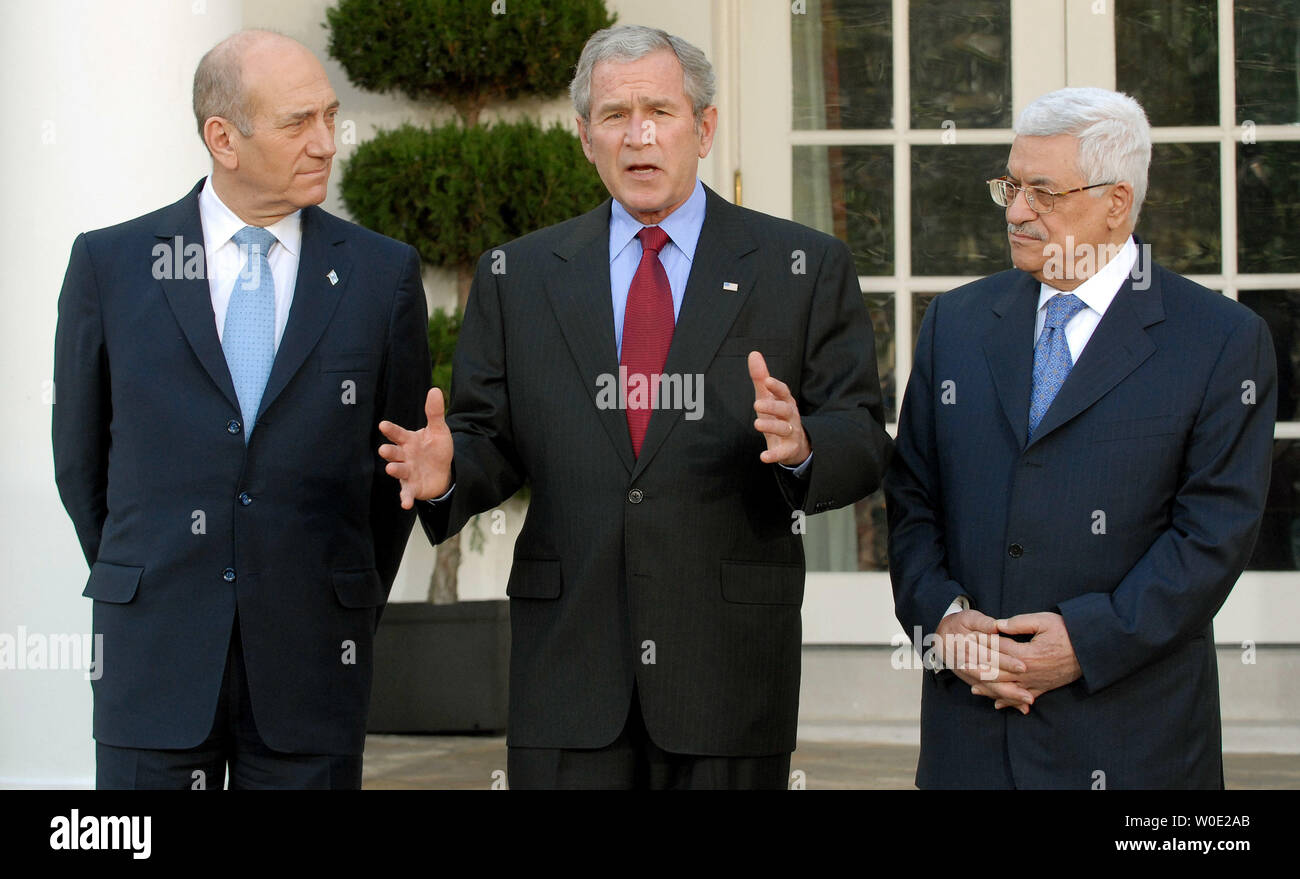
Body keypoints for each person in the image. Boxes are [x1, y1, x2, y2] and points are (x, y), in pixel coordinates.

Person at [378, 24, 890, 789]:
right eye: (615, 115)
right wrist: (451, 470)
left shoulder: (804, 267)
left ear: (705, 127)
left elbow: (863, 436)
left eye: (661, 110)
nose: (639, 136)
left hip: (728, 672)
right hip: (569, 673)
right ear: (585, 137)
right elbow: (490, 438)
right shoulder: (518, 275)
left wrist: (805, 443)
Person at [52, 30, 429, 789]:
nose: (327, 142)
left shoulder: (381, 275)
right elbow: (80, 462)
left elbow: (394, 477)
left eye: (330, 117)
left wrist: (339, 594)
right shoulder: (111, 265)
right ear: (222, 138)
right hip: (152, 662)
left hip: (313, 665)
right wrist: (155, 577)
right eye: (299, 123)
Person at [885, 87, 1277, 789]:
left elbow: (1213, 535)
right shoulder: (957, 324)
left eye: (1042, 190)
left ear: (1117, 202)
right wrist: (943, 621)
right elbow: (912, 496)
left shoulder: (1220, 341)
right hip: (969, 741)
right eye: (1010, 184)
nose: (1015, 210)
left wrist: (1085, 641)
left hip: (1134, 741)